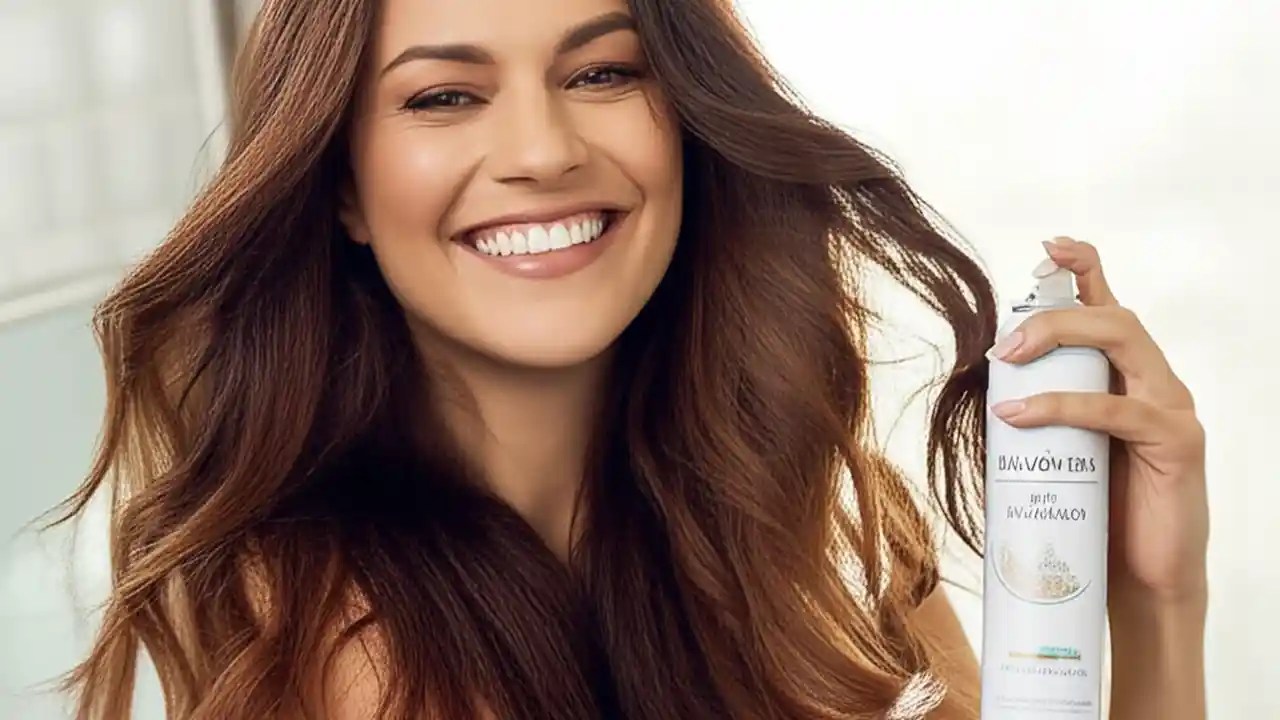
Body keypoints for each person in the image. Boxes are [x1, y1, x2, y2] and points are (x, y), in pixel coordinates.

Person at [50, 0, 1209, 718]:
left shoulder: (816, 539)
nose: (542, 150)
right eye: (444, 96)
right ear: (343, 184)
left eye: (601, 71)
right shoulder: (333, 626)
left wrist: (1153, 603)